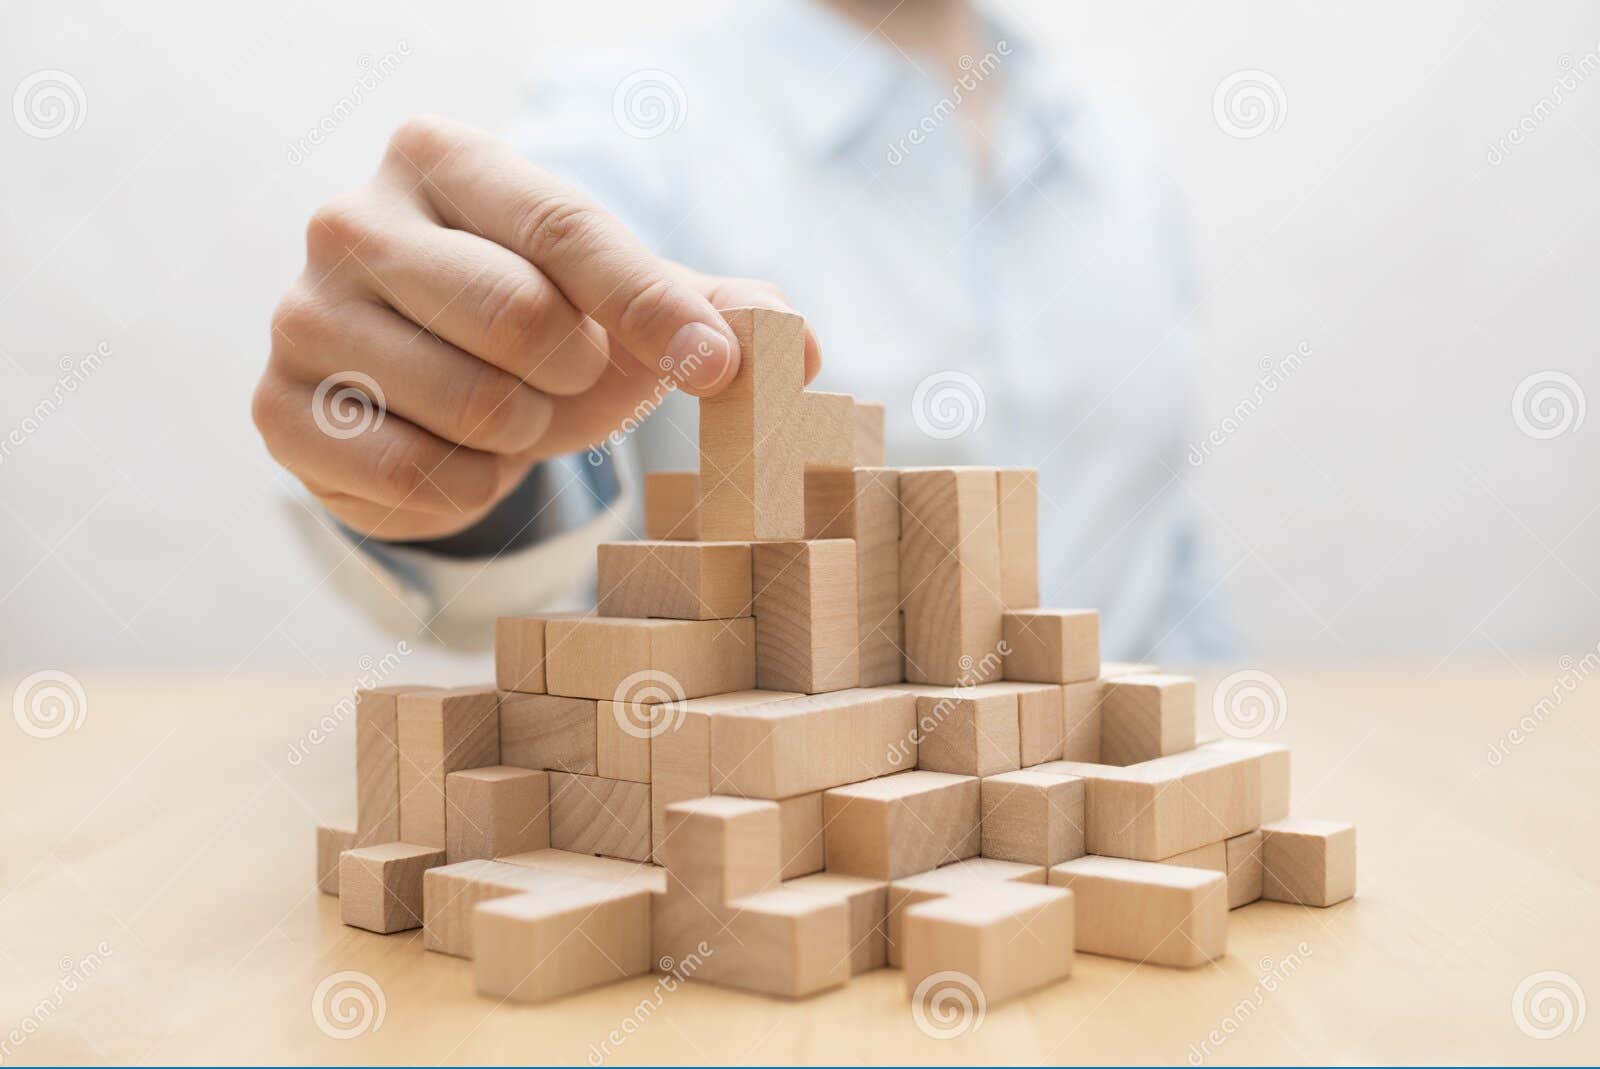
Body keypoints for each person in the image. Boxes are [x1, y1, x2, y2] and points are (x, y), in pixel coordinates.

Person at [252, 0, 1231, 660]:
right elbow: (525, 441)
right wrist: (443, 435)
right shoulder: (632, 128)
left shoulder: (1123, 157)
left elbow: (1151, 542)